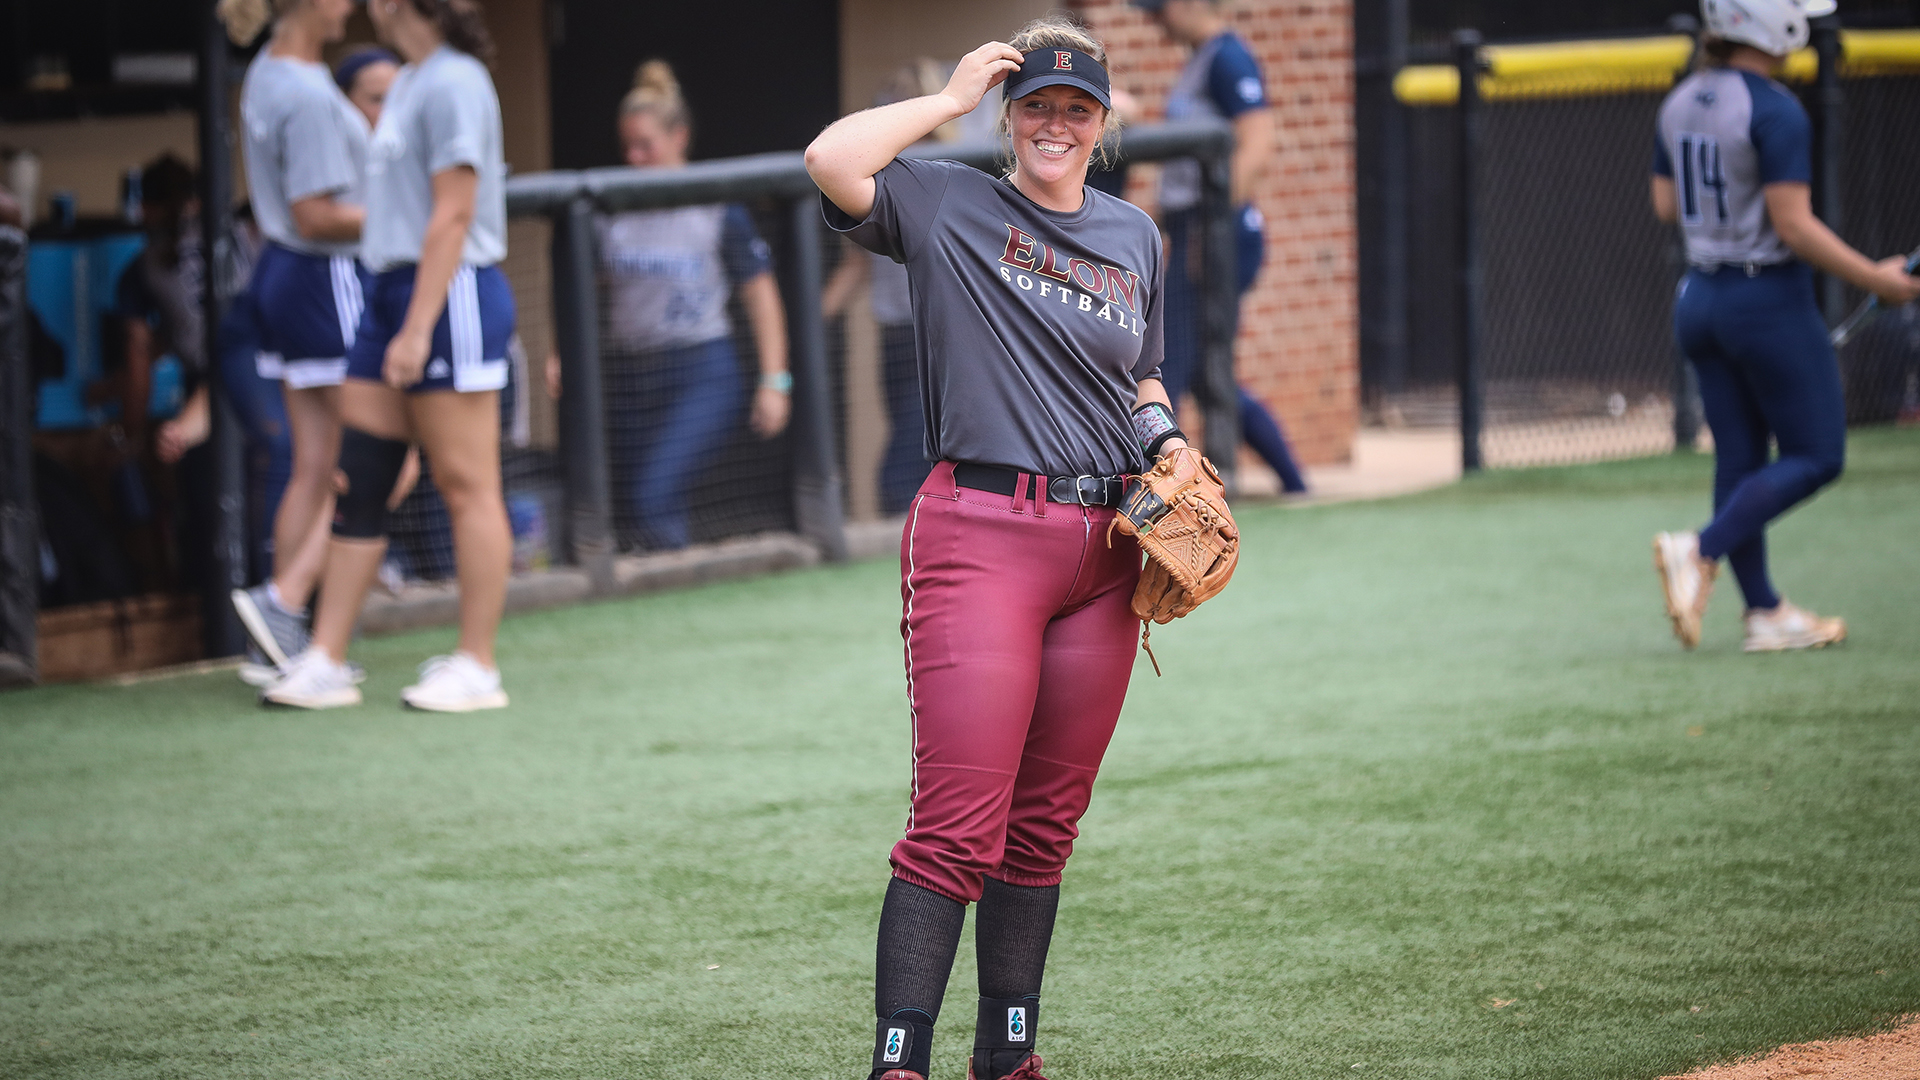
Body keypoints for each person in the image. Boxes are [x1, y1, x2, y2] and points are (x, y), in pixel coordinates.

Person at [808, 18, 1191, 1080]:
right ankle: (899, 1064)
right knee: (955, 829)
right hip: (982, 534)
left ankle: (1007, 1056)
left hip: (1108, 549)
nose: (1055, 125)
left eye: (1076, 109)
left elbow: (1142, 374)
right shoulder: (945, 202)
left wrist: (1165, 438)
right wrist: (951, 96)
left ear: (1102, 124)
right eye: (1036, 107)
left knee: (1043, 832)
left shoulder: (1134, 237)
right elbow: (832, 160)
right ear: (1010, 117)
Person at [264, 0, 514, 710]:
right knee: (360, 476)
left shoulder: (457, 81)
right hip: (387, 288)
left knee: (466, 483)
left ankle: (478, 665)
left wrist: (416, 328)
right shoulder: (407, 80)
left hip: (449, 294)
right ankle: (325, 660)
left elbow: (454, 213)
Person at [1650, 0, 1920, 651]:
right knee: (1819, 455)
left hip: (1699, 300)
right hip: (1764, 300)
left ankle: (1765, 613)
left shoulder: (1682, 98)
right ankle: (1700, 548)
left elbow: (1665, 206)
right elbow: (1793, 226)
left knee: (1740, 459)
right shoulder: (1774, 108)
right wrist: (1879, 282)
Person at [559, 60, 791, 549]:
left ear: (679, 136)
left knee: (654, 492)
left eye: (647, 145)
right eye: (628, 147)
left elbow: (760, 294)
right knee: (631, 498)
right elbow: (589, 289)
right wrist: (561, 352)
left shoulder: (716, 204)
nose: (635, 157)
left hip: (702, 369)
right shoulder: (613, 207)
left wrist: (775, 380)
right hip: (632, 372)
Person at [216, 0, 375, 677]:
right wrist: (409, 213)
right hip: (321, 277)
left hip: (283, 276)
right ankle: (285, 605)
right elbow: (316, 217)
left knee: (315, 465)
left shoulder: (268, 70)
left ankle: (273, 641)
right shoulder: (306, 91)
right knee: (376, 457)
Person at [1130, 0, 1308, 495]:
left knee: (1180, 364)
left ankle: (1179, 495)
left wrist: (1215, 226)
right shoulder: (1200, 59)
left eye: (1159, 10)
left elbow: (1258, 143)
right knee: (1205, 371)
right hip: (1194, 229)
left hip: (1220, 231)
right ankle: (1294, 485)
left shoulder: (1229, 57)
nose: (1155, 20)